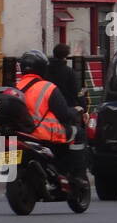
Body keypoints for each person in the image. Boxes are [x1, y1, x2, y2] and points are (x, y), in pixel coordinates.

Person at [15, 49, 86, 186]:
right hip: (45, 134)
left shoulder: (15, 87)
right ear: (42, 68)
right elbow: (63, 114)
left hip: (22, 133)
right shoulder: (48, 88)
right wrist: (75, 111)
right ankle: (78, 175)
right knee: (79, 134)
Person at [47, 44, 84, 114]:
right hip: (67, 109)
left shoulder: (45, 71)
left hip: (49, 109)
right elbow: (77, 91)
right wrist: (83, 107)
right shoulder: (69, 72)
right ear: (66, 56)